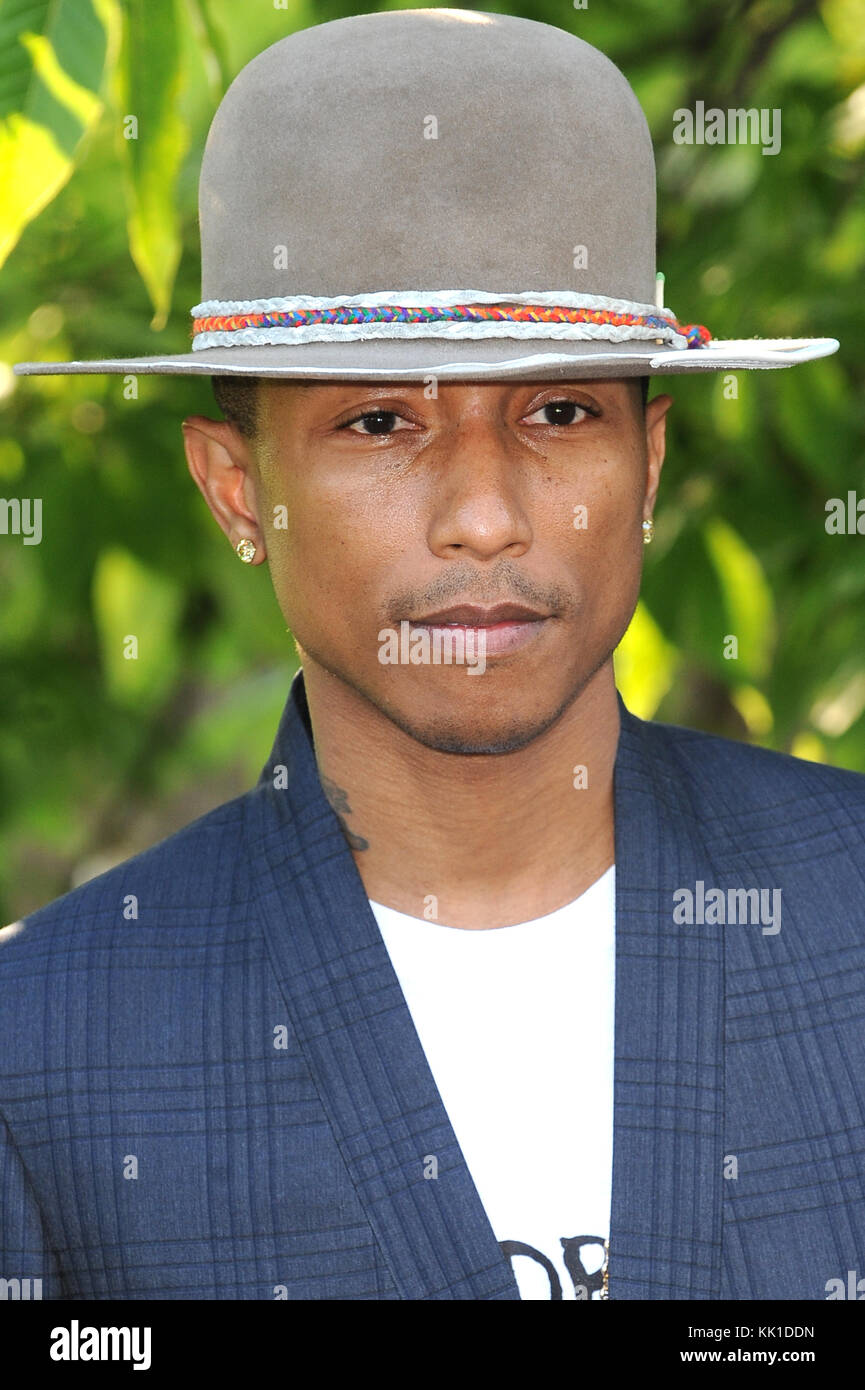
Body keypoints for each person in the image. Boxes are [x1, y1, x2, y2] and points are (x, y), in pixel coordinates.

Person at [3, 9, 863, 1302]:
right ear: (237, 490)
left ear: (649, 465)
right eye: (378, 418)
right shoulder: (48, 1043)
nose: (482, 514)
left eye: (559, 409)